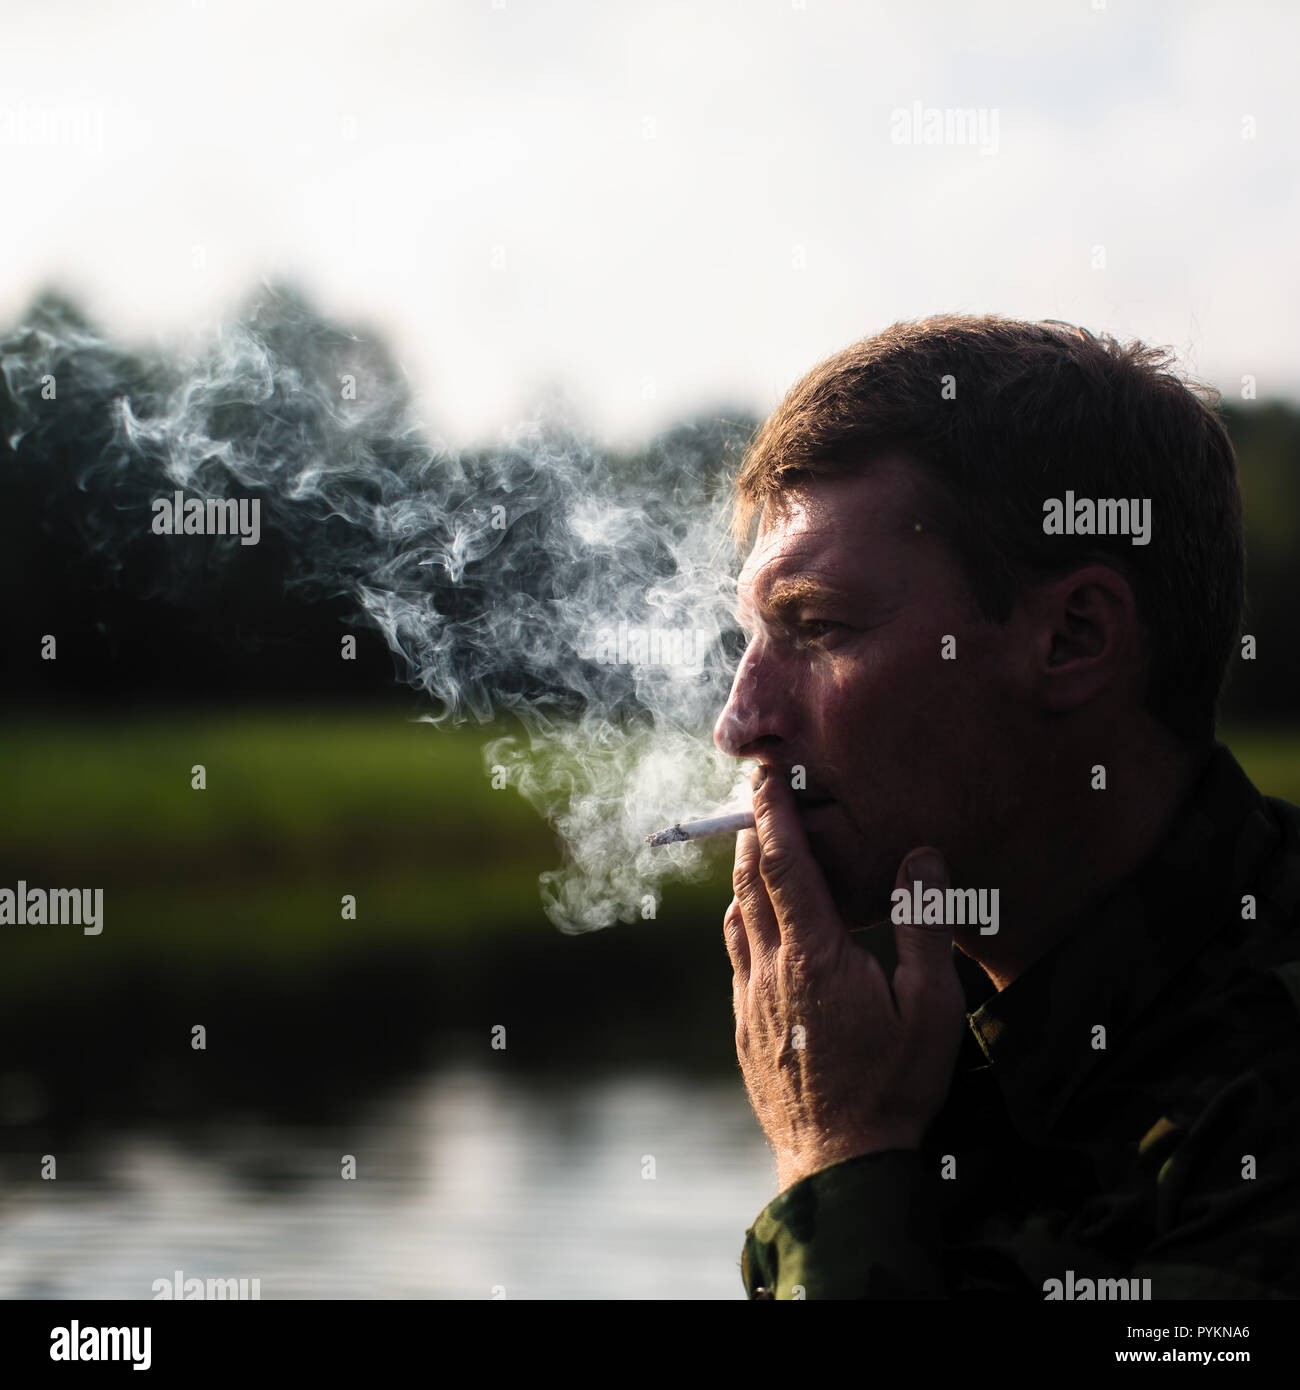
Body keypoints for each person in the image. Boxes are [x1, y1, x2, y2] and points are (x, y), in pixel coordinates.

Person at [714, 314, 1300, 1299]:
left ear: (1071, 638)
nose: (741, 721)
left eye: (816, 628)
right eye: (755, 639)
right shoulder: (932, 1038)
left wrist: (837, 1162)